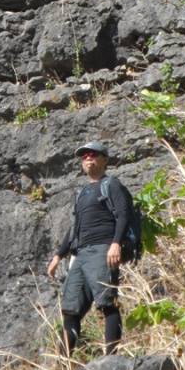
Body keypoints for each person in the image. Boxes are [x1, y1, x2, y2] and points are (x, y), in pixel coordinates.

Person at [47, 140, 128, 356]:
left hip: (103, 250)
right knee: (70, 308)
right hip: (81, 254)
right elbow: (75, 228)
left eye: (92, 154)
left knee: (106, 303)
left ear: (104, 159)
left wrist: (115, 243)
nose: (88, 158)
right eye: (84, 156)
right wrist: (58, 255)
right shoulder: (82, 193)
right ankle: (63, 362)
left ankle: (111, 359)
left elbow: (123, 215)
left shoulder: (111, 184)